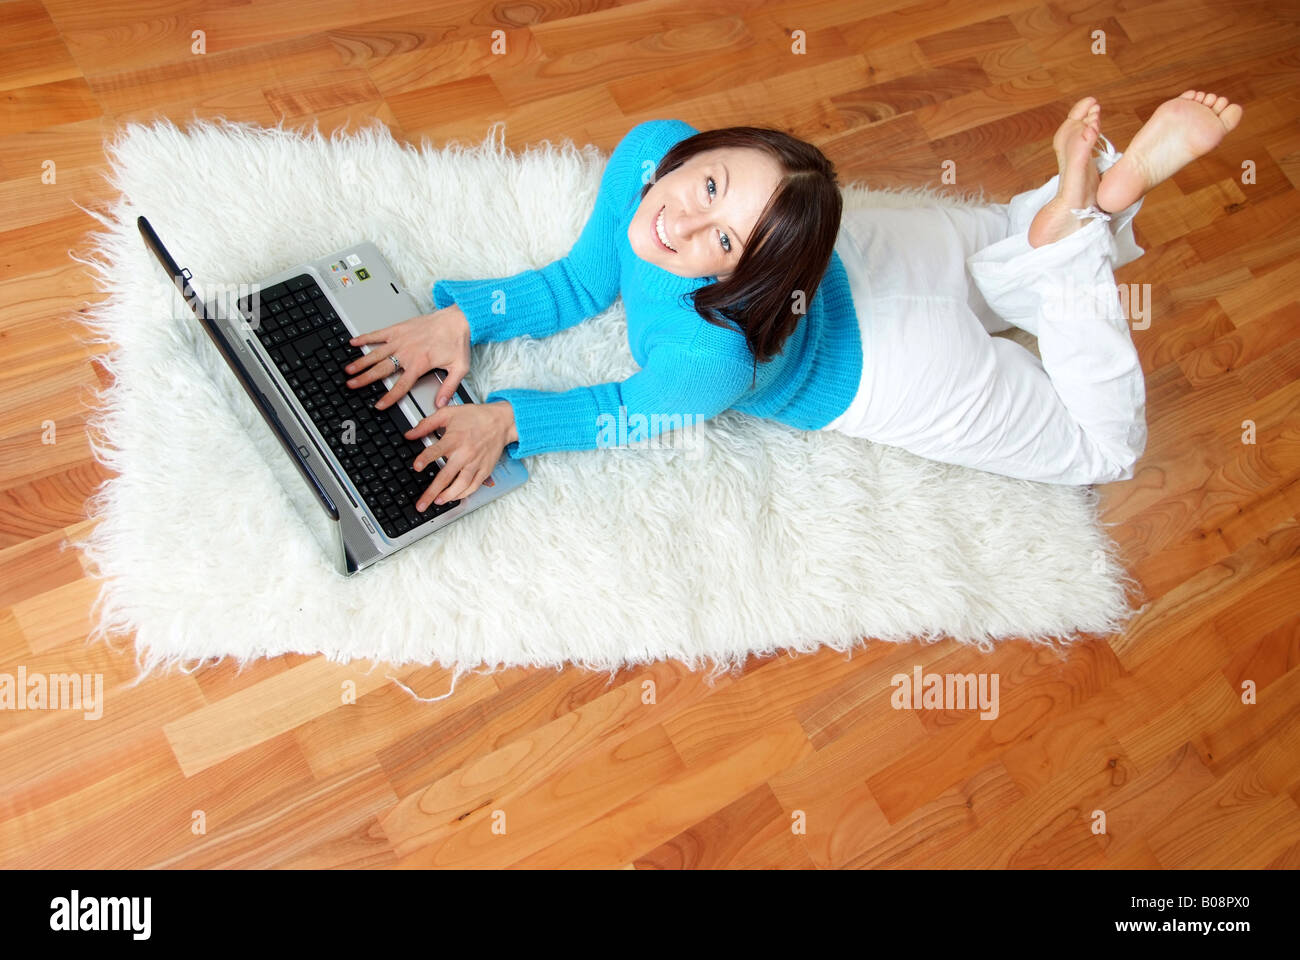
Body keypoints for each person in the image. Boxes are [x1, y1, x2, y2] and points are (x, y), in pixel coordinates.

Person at [342, 91, 1243, 511]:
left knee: (1099, 450)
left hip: (901, 367)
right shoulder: (654, 150)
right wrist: (468, 318)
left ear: (754, 273)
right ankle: (1071, 216)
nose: (684, 230)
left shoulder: (713, 360)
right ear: (703, 149)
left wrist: (504, 421)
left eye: (726, 241)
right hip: (892, 253)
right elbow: (580, 279)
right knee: (1003, 256)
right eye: (707, 188)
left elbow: (621, 411)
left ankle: (1091, 219)